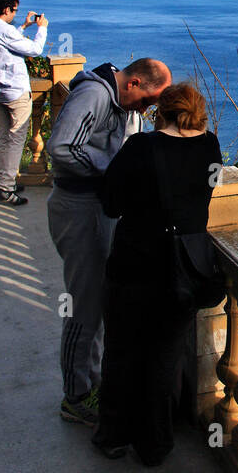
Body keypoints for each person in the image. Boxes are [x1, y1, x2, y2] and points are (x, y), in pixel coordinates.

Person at [92, 81, 221, 465]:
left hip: (135, 264)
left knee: (122, 353)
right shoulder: (209, 146)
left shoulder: (140, 148)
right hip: (183, 270)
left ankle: (114, 436)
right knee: (163, 359)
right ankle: (155, 444)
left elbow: (111, 203)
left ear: (159, 112)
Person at [46, 58, 170, 426]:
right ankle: (75, 396)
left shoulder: (120, 103)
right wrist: (112, 167)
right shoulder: (94, 96)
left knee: (101, 300)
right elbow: (61, 147)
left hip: (99, 206)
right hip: (78, 206)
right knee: (84, 304)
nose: (146, 110)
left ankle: (92, 384)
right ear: (132, 83)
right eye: (146, 101)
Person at [0, 0, 47, 206]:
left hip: (0, 90)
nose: (15, 14)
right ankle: (7, 189)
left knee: (4, 139)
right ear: (7, 9)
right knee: (15, 139)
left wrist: (24, 27)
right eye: (15, 10)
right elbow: (35, 50)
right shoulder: (4, 30)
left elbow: (7, 41)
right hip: (16, 91)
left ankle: (5, 182)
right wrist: (42, 27)